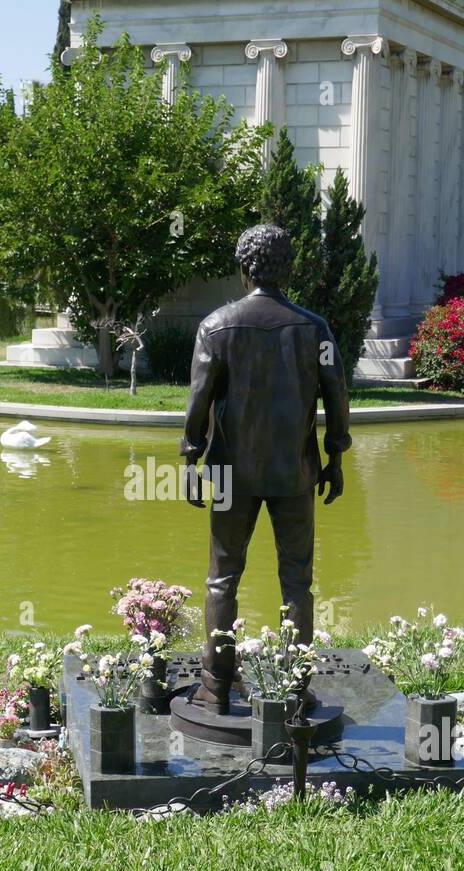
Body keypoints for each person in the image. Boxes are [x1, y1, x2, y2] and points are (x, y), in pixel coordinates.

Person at [180, 223, 352, 713]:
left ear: (243, 267)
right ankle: (295, 691)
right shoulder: (314, 328)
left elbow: (199, 399)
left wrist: (191, 458)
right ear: (287, 268)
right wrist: (335, 456)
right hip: (294, 472)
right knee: (297, 579)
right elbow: (337, 393)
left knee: (221, 579)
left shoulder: (216, 326)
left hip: (231, 474)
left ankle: (215, 687)